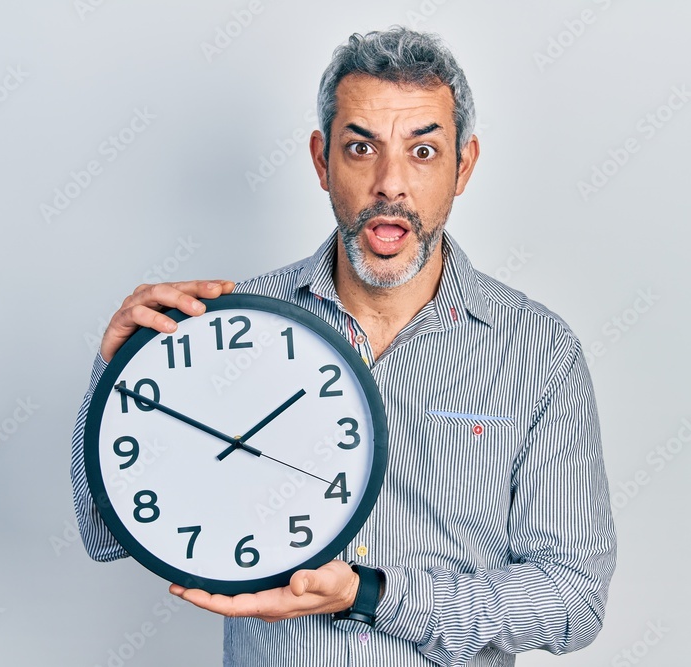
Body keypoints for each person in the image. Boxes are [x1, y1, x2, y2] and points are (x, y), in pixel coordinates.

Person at [71, 26, 616, 667]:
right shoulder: (222, 330)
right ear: (321, 159)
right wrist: (116, 379)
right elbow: (106, 533)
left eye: (422, 152)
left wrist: (372, 595)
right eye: (362, 148)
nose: (390, 184)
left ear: (463, 166)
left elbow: (574, 598)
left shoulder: (537, 353)